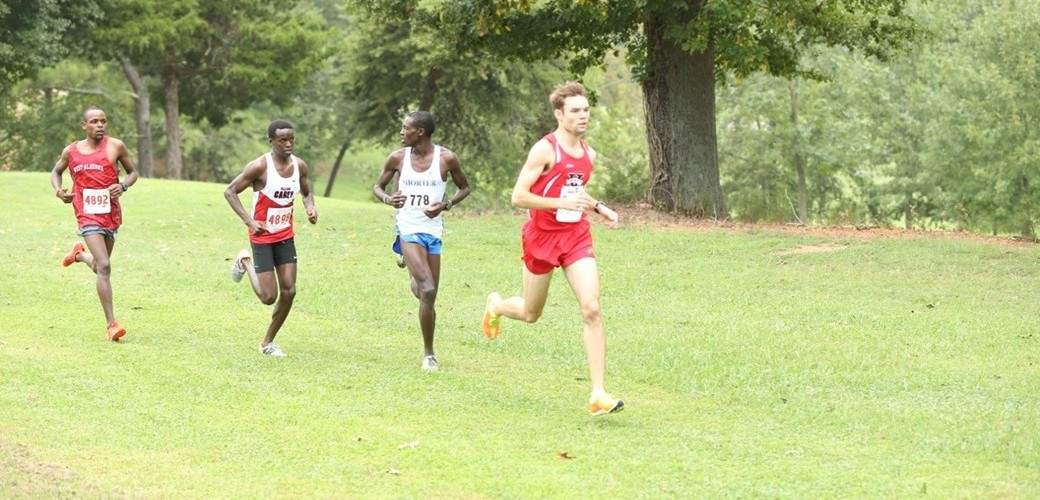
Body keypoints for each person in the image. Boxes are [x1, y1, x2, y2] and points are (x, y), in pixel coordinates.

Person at [481, 82, 624, 415]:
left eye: (586, 110)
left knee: (591, 308)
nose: (583, 116)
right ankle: (497, 306)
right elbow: (518, 197)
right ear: (559, 114)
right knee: (531, 314)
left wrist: (600, 206)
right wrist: (560, 202)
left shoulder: (589, 154)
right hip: (541, 238)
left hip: (575, 236)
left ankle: (598, 394)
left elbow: (575, 191)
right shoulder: (544, 150)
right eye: (575, 111)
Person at [373, 111, 471, 371]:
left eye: (405, 128)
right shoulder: (397, 158)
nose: (401, 132)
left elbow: (465, 188)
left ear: (420, 132)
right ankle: (429, 354)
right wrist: (388, 199)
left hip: (433, 230)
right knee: (427, 290)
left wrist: (445, 204)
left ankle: (413, 274)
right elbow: (377, 187)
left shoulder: (446, 158)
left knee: (425, 292)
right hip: (408, 228)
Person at [224, 119, 318, 357]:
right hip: (262, 236)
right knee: (269, 296)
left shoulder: (300, 166)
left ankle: (267, 343)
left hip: (285, 235)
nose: (288, 144)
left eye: (291, 139)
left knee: (289, 291)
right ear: (272, 141)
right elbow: (230, 191)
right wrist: (249, 220)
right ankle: (244, 262)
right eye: (283, 140)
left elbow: (306, 192)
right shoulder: (259, 166)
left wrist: (311, 207)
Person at [51, 107, 139, 341]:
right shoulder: (71, 151)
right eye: (94, 121)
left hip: (110, 214)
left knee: (100, 266)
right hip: (86, 213)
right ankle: (112, 324)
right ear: (84, 125)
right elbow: (56, 171)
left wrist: (123, 186)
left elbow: (132, 173)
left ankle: (78, 255)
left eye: (103, 121)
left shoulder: (116, 146)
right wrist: (59, 191)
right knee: (105, 266)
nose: (100, 125)